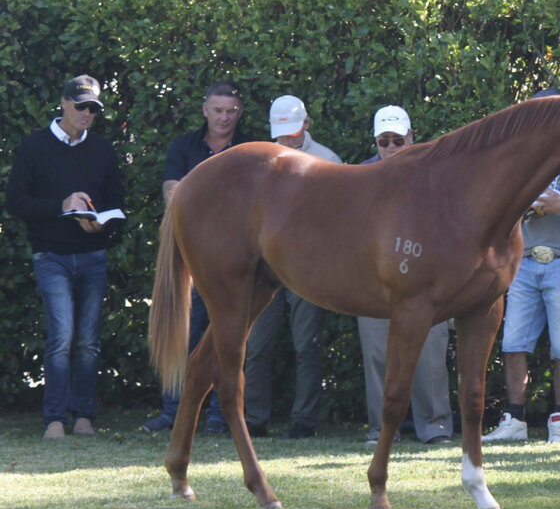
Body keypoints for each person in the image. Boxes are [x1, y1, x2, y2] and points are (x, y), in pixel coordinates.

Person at [482, 89, 560, 444]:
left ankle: (559, 422)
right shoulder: (520, 160)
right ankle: (514, 420)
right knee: (513, 343)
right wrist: (523, 208)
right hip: (523, 263)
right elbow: (494, 211)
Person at [6, 75, 125, 439]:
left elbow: (117, 205)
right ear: (63, 103)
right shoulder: (34, 147)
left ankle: (84, 417)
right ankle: (55, 419)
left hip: (93, 255)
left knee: (88, 340)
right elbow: (15, 202)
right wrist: (60, 207)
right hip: (52, 256)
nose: (87, 113)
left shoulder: (103, 149)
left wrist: (100, 225)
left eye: (93, 108)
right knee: (61, 336)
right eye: (81, 105)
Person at [142, 81, 254, 434]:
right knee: (184, 330)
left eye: (231, 111)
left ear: (240, 113)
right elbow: (171, 193)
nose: (224, 118)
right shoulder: (184, 146)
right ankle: (173, 412)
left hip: (236, 261)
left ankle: (220, 417)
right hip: (193, 257)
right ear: (205, 109)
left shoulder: (250, 150)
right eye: (218, 110)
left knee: (227, 335)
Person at [241, 96, 342, 439]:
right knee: (256, 345)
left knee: (307, 345)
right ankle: (253, 419)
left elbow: (338, 223)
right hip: (266, 268)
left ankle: (304, 421)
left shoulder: (328, 161)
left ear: (307, 124)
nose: (287, 139)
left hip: (308, 270)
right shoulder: (260, 161)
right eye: (281, 134)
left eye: (293, 132)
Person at [357, 105, 455, 446]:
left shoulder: (437, 175)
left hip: (426, 280)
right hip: (374, 281)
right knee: (376, 355)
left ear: (411, 136)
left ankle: (436, 427)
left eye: (398, 140)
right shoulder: (360, 177)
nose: (392, 147)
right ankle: (382, 429)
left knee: (429, 354)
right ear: (375, 142)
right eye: (384, 141)